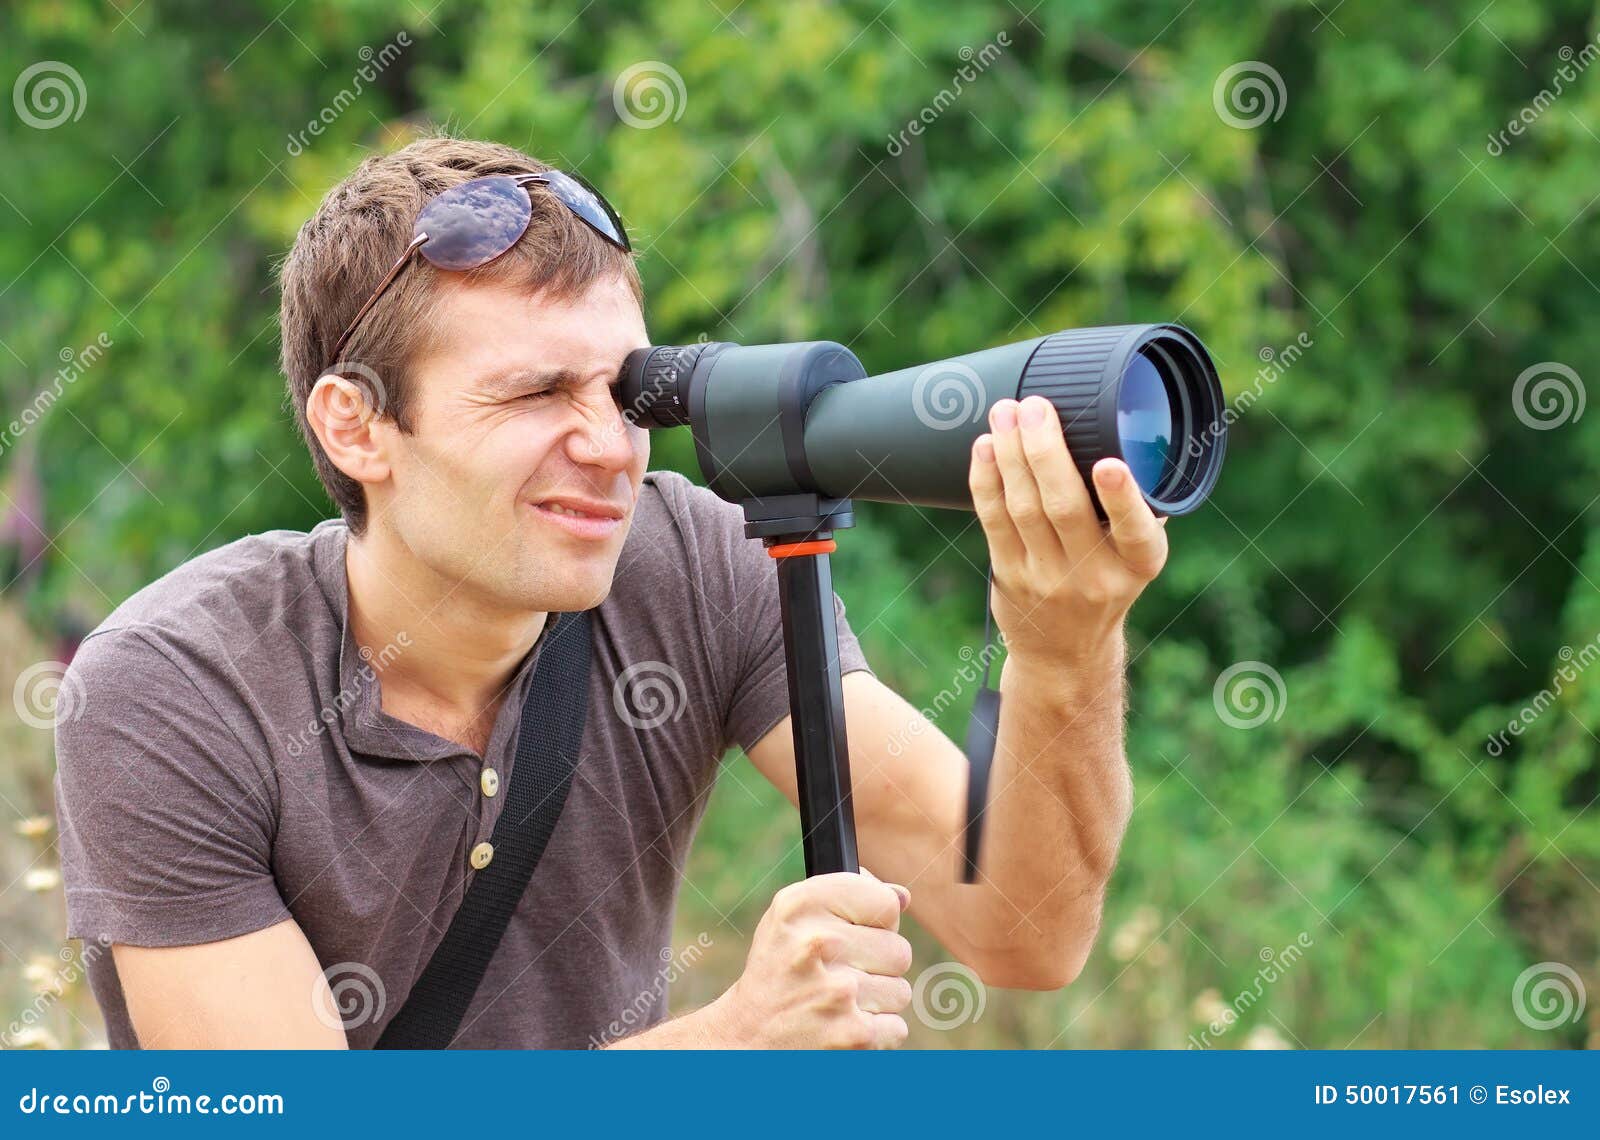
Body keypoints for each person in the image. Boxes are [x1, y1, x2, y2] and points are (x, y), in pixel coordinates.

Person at [53, 134, 1167, 1049]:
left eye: (623, 389)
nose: (608, 447)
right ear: (358, 427)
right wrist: (731, 1046)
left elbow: (1024, 933)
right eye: (535, 392)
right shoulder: (176, 687)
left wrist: (1063, 650)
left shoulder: (689, 561)